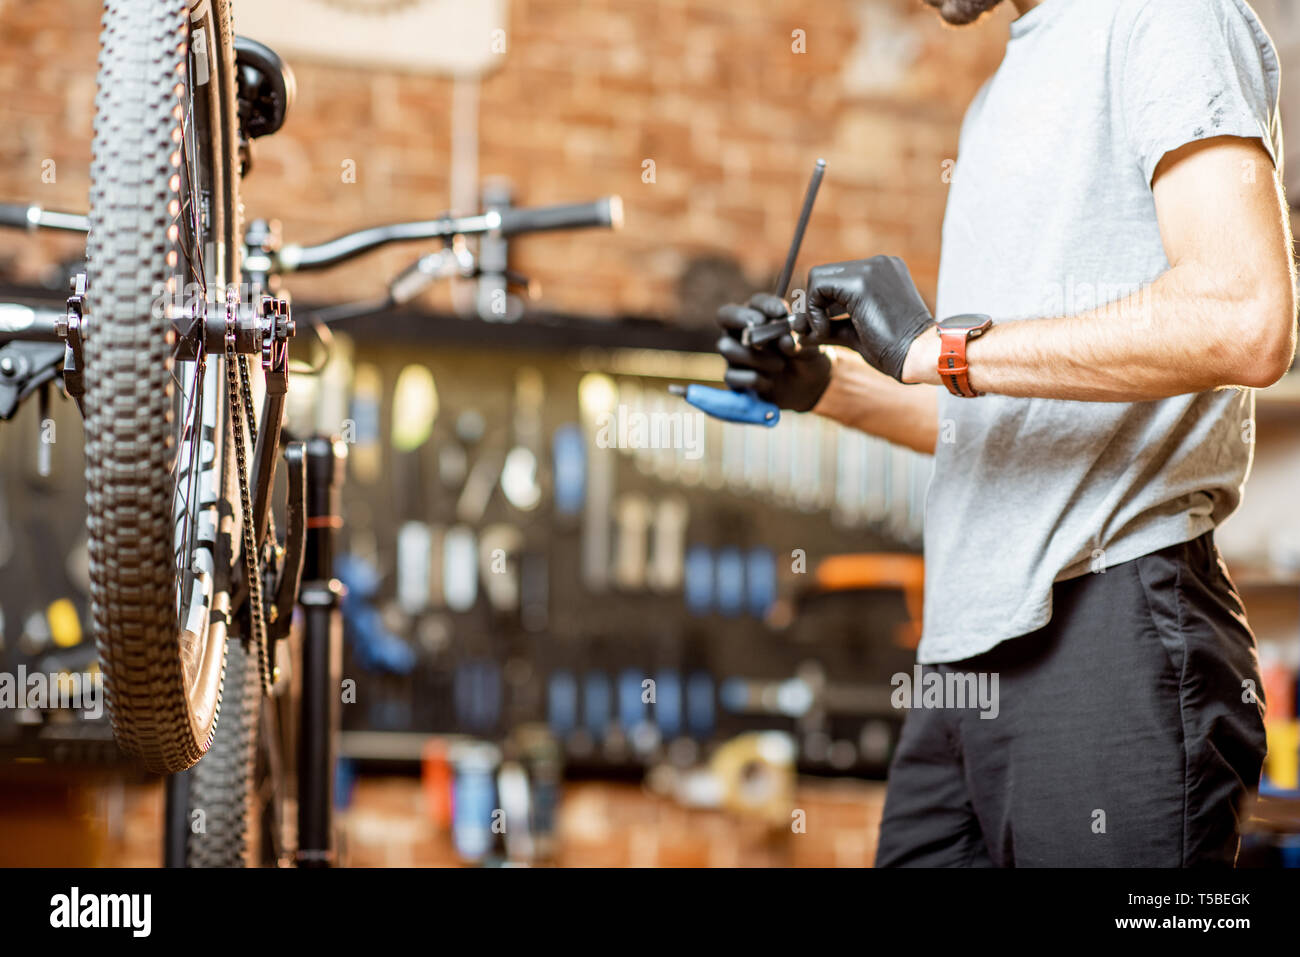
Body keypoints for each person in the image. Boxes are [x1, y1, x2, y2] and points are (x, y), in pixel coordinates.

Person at [717, 0, 1297, 866]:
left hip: (1107, 630)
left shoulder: (1164, 18)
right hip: (961, 662)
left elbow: (1246, 315)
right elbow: (992, 418)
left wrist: (937, 347)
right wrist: (823, 386)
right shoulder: (993, 101)